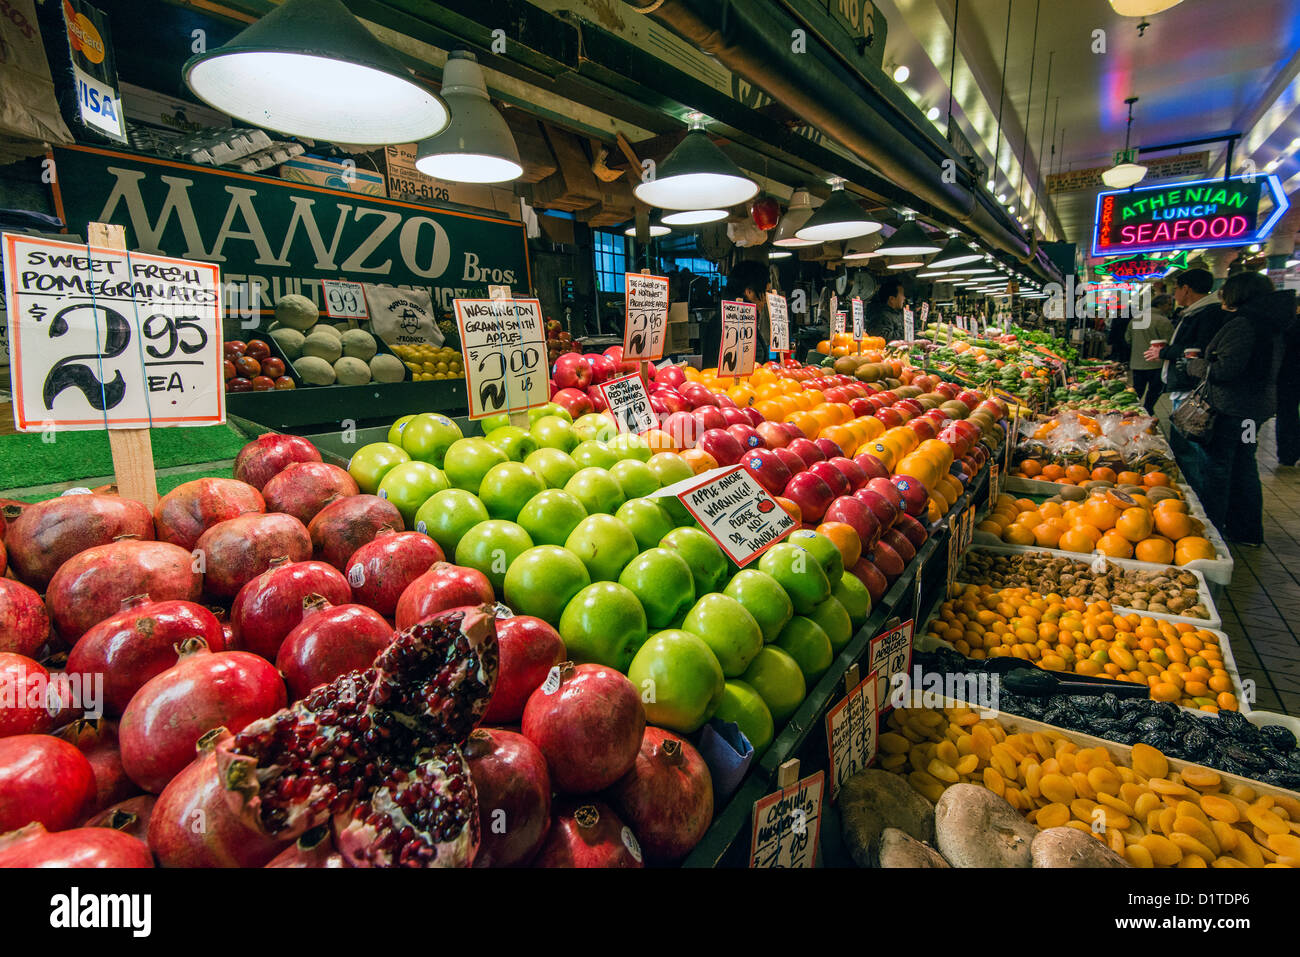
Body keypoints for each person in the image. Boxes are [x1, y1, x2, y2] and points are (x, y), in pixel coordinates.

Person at [1183, 272, 1293, 546]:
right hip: (1251, 414)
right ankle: (1245, 530)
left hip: (1231, 411)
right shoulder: (1272, 322)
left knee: (1218, 468)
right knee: (1244, 464)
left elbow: (1225, 370)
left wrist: (1192, 365)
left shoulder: (1244, 324)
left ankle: (1213, 532)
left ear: (1238, 293)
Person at [1144, 268, 1228, 489]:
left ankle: (1198, 493)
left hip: (1194, 391)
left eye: (1176, 289)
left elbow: (1198, 350)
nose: (1174, 295)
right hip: (1189, 388)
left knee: (1190, 447)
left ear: (1186, 289)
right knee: (1186, 446)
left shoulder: (1207, 313)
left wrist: (1166, 352)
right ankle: (1195, 489)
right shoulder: (1197, 311)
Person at [700, 259, 770, 370]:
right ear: (749, 292)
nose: (766, 301)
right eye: (765, 293)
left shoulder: (720, 318)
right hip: (733, 386)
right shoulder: (738, 322)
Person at [1124, 294, 1174, 415]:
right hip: (1156, 365)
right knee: (1154, 392)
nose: (1171, 307)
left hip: (1137, 363)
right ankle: (1147, 413)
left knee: (1136, 393)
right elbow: (1171, 343)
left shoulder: (1136, 319)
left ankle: (1130, 413)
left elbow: (1128, 339)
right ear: (1161, 305)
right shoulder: (1164, 321)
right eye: (1169, 304)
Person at [1276, 303, 1300, 467]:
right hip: (1289, 377)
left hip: (1288, 377)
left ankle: (1287, 454)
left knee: (1287, 415)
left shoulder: (1289, 325)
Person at [863, 277, 905, 343]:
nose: (904, 298)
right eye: (902, 295)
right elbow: (883, 338)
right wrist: (906, 333)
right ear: (892, 299)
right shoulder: (880, 316)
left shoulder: (895, 313)